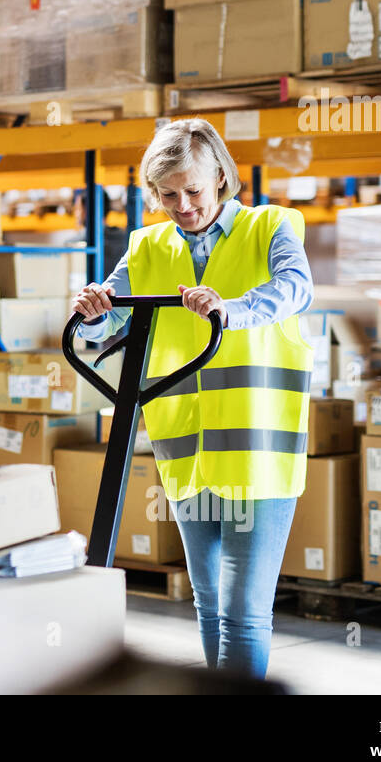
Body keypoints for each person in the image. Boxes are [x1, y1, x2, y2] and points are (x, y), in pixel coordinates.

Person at [71, 118, 315, 679]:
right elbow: (108, 319)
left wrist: (231, 310)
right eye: (168, 194)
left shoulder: (272, 226)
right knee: (208, 607)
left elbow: (295, 287)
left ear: (222, 177)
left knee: (244, 614)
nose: (182, 205)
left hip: (258, 455)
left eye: (194, 190)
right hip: (184, 452)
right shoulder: (147, 246)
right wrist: (91, 311)